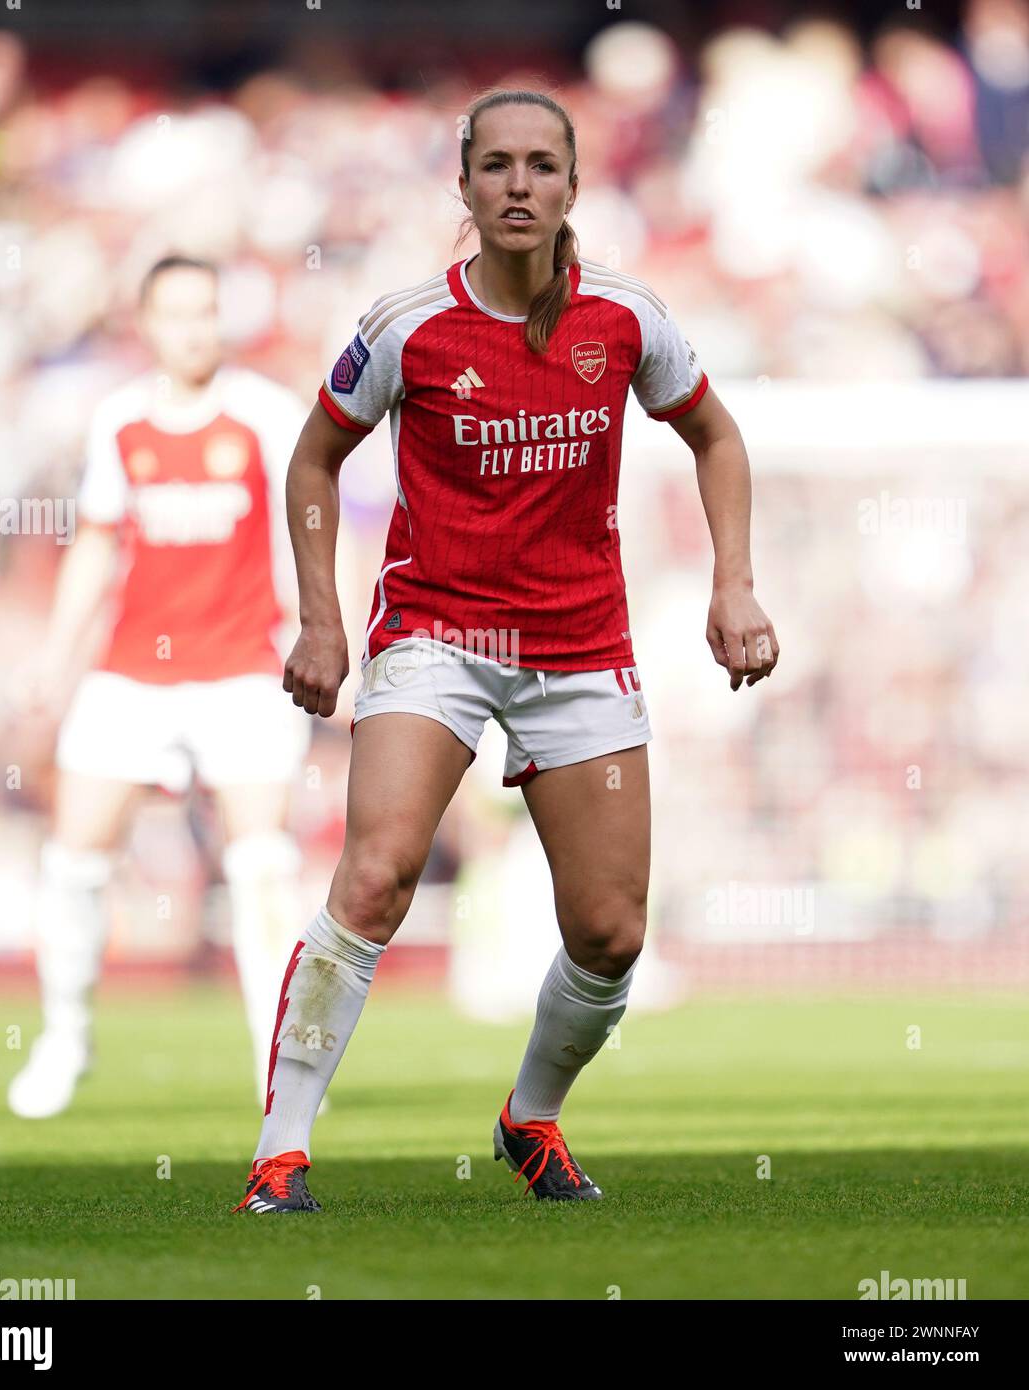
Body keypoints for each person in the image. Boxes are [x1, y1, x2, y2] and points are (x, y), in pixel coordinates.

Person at [235, 89, 778, 1214]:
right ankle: (279, 1153)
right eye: (497, 166)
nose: (519, 185)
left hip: (581, 646)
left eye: (542, 165)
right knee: (376, 872)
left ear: (574, 187)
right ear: (466, 185)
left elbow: (716, 435)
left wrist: (734, 583)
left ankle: (530, 1118)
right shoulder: (406, 329)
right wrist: (326, 620)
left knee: (612, 931)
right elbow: (311, 461)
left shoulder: (627, 320)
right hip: (436, 636)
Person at [9, 255, 311, 1117]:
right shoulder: (120, 421)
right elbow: (99, 544)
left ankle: (279, 1067)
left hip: (242, 671)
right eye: (177, 314)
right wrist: (57, 655)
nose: (194, 329)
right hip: (132, 671)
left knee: (262, 864)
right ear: (146, 323)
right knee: (74, 859)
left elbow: (311, 521)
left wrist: (326, 631)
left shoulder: (263, 414)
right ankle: (66, 1037)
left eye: (207, 311)